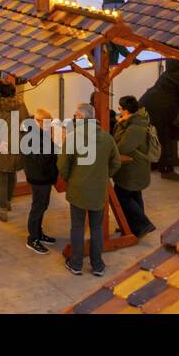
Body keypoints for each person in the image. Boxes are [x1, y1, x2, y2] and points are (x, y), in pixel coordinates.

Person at [59, 104, 120, 276]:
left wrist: (69, 178)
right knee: (96, 227)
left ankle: (76, 264)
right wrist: (104, 176)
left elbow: (63, 164)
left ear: (80, 117)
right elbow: (116, 163)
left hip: (78, 188)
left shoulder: (72, 138)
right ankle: (98, 265)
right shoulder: (107, 138)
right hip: (98, 189)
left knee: (77, 227)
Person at [139, 58, 179, 181]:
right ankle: (166, 169)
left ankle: (155, 163)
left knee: (158, 136)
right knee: (165, 138)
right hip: (160, 112)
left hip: (147, 107)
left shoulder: (170, 73)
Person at [112, 95, 156, 238]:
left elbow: (122, 147)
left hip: (133, 168)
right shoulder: (137, 120)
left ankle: (143, 224)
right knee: (135, 195)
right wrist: (122, 122)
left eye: (120, 108)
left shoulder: (135, 128)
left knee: (121, 196)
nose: (118, 111)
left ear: (125, 110)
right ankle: (131, 227)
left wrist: (120, 125)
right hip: (134, 167)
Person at [0, 79, 29, 221]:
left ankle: (3, 208)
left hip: (2, 145)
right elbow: (26, 124)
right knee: (12, 173)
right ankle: (9, 201)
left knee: (2, 177)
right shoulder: (21, 104)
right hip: (18, 145)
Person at [21, 109, 59, 253]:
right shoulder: (31, 136)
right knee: (38, 207)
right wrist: (55, 147)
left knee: (43, 205)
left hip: (44, 176)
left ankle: (38, 233)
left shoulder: (39, 133)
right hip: (38, 176)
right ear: (39, 122)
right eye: (48, 123)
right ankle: (33, 239)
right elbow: (40, 158)